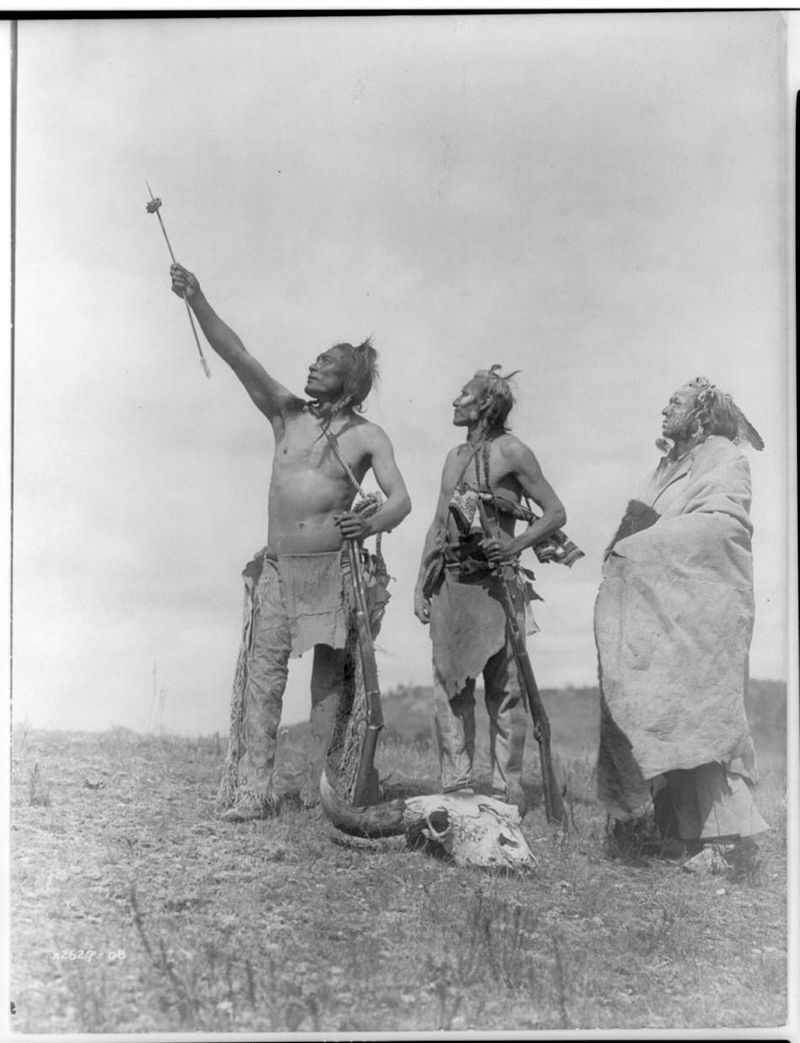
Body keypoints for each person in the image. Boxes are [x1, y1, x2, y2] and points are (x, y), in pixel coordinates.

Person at [169, 262, 411, 821]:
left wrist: (369, 524)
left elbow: (400, 500)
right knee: (264, 674)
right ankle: (254, 790)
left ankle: (319, 789)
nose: (311, 364)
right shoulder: (286, 414)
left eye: (324, 362)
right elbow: (239, 355)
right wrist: (198, 298)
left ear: (349, 381)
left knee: (329, 683)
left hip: (335, 573)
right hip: (279, 569)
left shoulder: (368, 437)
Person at [595, 376, 768, 859]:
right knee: (666, 714)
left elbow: (724, 525)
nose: (666, 407)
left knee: (706, 720)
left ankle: (729, 844)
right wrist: (628, 550)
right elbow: (639, 522)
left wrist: (644, 548)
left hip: (706, 610)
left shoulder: (725, 458)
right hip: (664, 608)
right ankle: (682, 835)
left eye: (677, 401)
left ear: (701, 414)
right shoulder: (666, 466)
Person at [414, 366, 568, 808]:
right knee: (449, 686)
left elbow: (555, 513)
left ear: (484, 404)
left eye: (463, 394)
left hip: (496, 587)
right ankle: (457, 787)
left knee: (505, 692)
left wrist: (515, 545)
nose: (454, 401)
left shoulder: (513, 451)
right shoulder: (452, 457)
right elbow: (438, 521)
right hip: (451, 583)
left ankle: (505, 791)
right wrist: (422, 582)